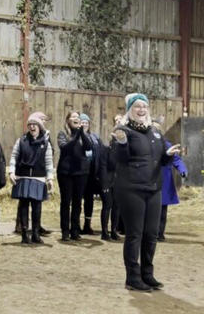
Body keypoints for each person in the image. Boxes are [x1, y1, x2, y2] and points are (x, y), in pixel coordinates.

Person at [111, 93, 180, 291]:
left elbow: (160, 160)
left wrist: (168, 155)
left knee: (151, 233)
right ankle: (132, 278)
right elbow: (119, 160)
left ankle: (147, 274)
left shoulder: (154, 132)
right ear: (130, 109)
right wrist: (122, 144)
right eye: (137, 106)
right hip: (131, 189)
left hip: (154, 189)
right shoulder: (123, 131)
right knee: (135, 234)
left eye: (144, 106)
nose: (141, 110)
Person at [9, 113, 54, 243]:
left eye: (35, 124)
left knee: (37, 207)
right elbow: (14, 157)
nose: (32, 127)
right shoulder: (21, 141)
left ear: (39, 126)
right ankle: (24, 234)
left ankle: (35, 234)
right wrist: (11, 172)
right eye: (30, 124)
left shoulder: (46, 143)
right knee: (23, 205)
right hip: (22, 177)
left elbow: (49, 162)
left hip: (38, 178)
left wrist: (50, 178)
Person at [57, 111, 93, 241]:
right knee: (66, 202)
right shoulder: (62, 134)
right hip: (65, 173)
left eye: (78, 117)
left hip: (81, 173)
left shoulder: (84, 135)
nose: (76, 118)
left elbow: (89, 148)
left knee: (78, 203)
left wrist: (81, 132)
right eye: (73, 117)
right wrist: (77, 134)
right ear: (68, 120)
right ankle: (65, 231)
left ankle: (75, 230)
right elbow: (65, 148)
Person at [159, 132, 187, 242]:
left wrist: (182, 170)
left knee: (162, 209)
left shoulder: (166, 144)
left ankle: (159, 233)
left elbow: (176, 159)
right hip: (148, 181)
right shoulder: (144, 143)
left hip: (164, 181)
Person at [80, 114, 102, 235]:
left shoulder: (95, 137)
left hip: (92, 173)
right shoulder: (76, 137)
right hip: (79, 172)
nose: (84, 124)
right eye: (82, 122)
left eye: (86, 122)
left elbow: (101, 151)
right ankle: (75, 225)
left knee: (89, 199)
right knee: (77, 199)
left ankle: (87, 225)